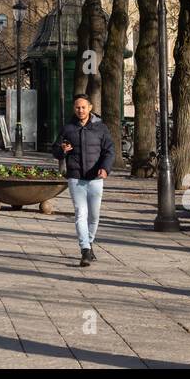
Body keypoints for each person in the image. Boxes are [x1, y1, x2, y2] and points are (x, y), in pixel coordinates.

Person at [54, 94, 115, 267]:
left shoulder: (101, 128)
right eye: (77, 107)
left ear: (90, 107)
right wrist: (62, 150)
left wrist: (105, 168)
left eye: (83, 107)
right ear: (74, 109)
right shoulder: (68, 129)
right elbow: (55, 151)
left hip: (96, 178)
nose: (80, 110)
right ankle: (85, 250)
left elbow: (109, 151)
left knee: (94, 216)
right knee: (81, 213)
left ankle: (89, 242)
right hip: (76, 177)